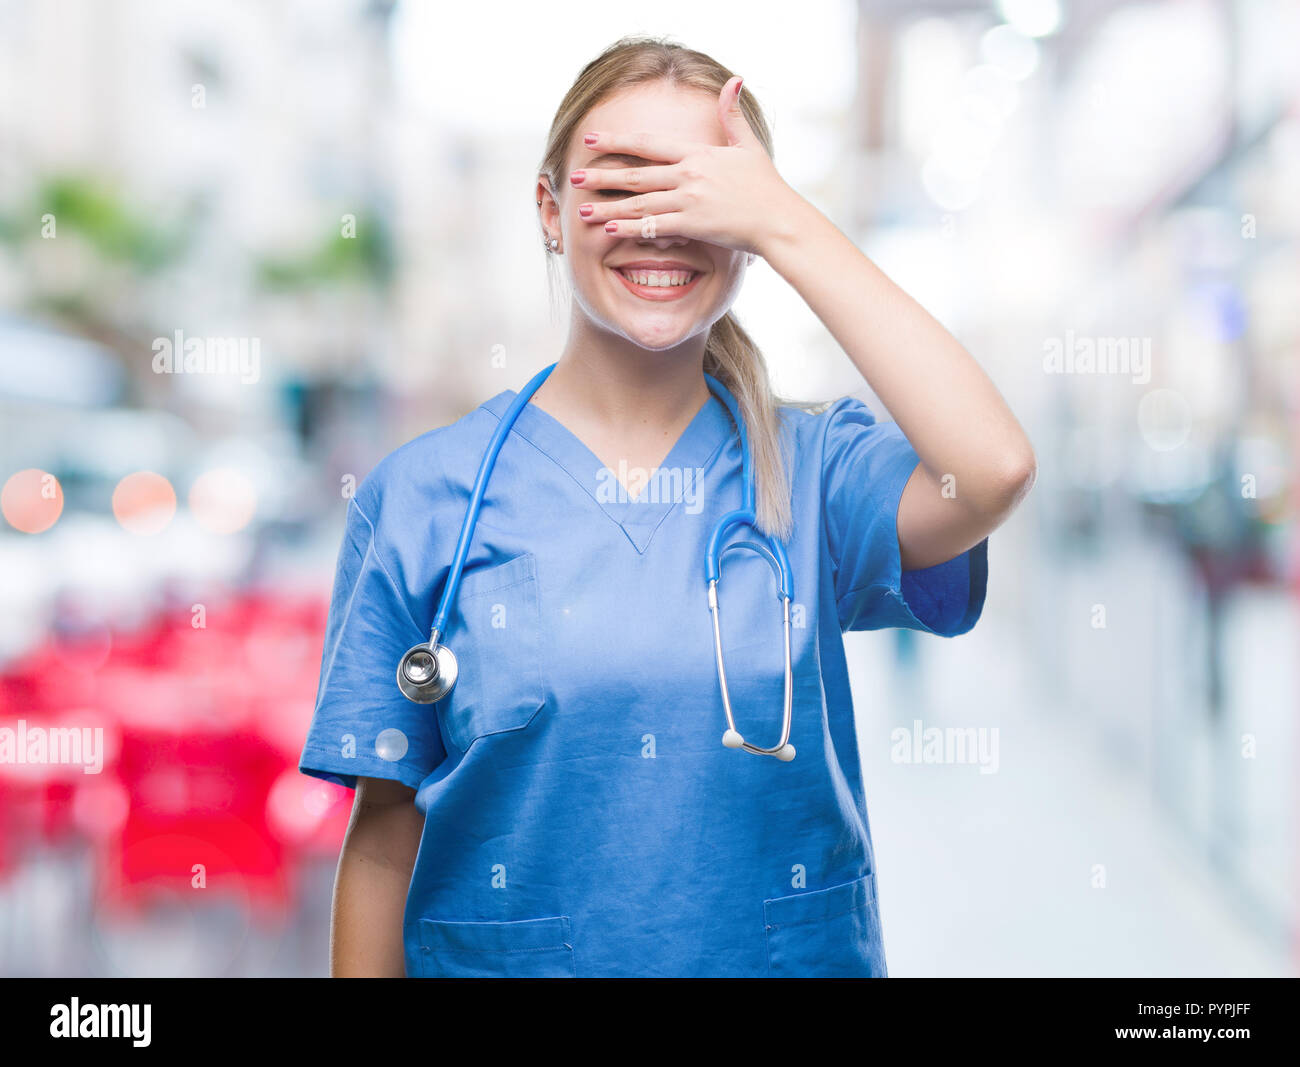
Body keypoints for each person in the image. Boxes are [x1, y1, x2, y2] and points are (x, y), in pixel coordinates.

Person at [298, 34, 1036, 978]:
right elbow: (382, 841)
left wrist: (788, 225)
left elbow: (994, 469)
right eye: (621, 185)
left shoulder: (818, 472)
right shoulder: (422, 496)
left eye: (704, 193)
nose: (661, 223)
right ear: (550, 210)